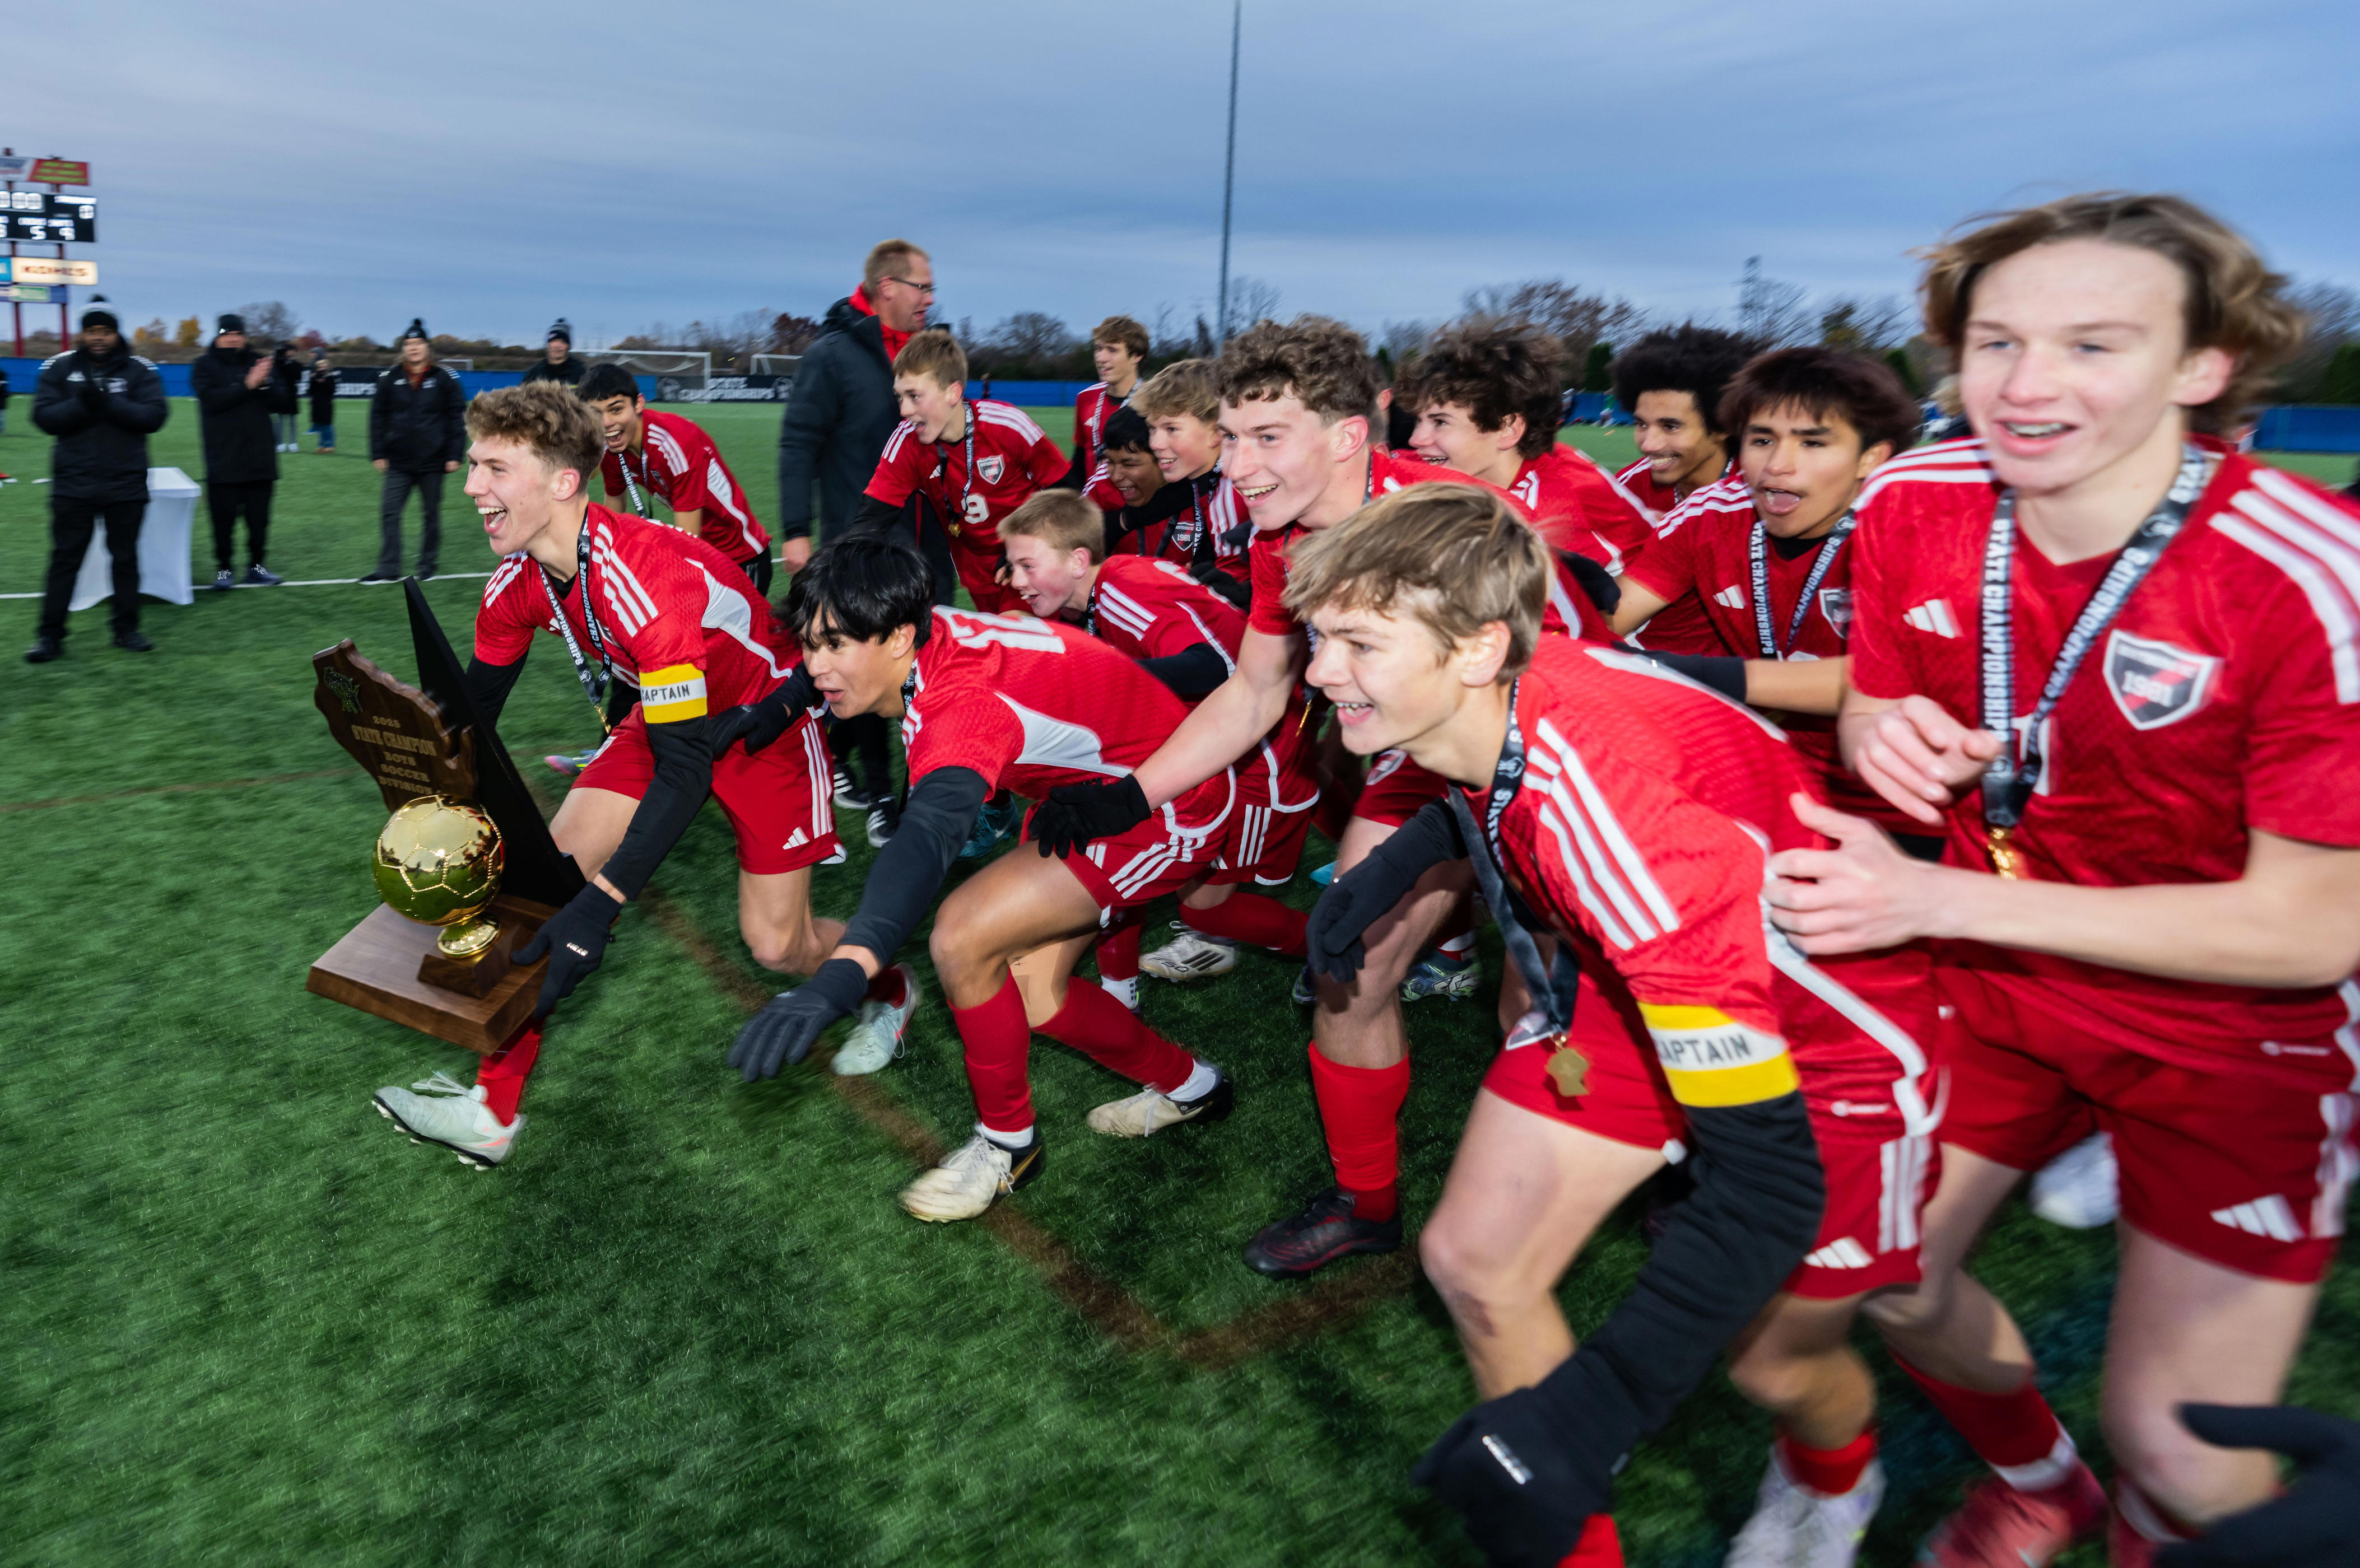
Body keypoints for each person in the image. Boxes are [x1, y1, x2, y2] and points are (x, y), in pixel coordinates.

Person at [1762, 193, 2360, 1566]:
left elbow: (2313, 926)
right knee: (1887, 1278)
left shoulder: (2305, 576)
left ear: (2201, 365)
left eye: (2091, 345)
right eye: (1995, 343)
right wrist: (1889, 735)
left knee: (2182, 1446)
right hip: (2000, 985)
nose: (2025, 386)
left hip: (2234, 1028)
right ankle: (2039, 1484)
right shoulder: (1913, 499)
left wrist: (1938, 899)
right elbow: (1875, 699)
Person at [1289, 486, 1884, 1568]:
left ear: (1476, 648)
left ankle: (1844, 1476)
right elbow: (1500, 773)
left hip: (1832, 1036)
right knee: (1476, 1261)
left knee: (1779, 1361)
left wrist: (1593, 1407)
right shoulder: (1513, 678)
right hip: (1644, 975)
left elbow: (1767, 1185)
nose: (1320, 671)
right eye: (1318, 635)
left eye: (1358, 643)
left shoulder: (1618, 829)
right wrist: (1389, 867)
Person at [1026, 316, 1603, 1278]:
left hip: (1556, 764)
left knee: (1540, 1011)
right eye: (1231, 436)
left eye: (1266, 437)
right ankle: (1365, 1204)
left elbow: (1567, 691)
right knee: (1350, 971)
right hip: (1423, 762)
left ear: (1347, 436)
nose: (1237, 465)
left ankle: (1667, 1173)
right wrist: (1129, 796)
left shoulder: (1454, 520)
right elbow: (1256, 691)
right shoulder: (1281, 541)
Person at [368, 383, 891, 1163]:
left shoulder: (646, 578)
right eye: (474, 465)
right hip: (669, 718)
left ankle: (887, 985)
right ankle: (492, 1113)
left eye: (495, 468)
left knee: (778, 948)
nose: (472, 485)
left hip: (761, 727)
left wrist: (604, 905)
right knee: (547, 889)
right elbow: (472, 724)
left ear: (563, 481)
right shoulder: (517, 581)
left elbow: (684, 774)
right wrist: (402, 751)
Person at [721, 533, 1240, 1221]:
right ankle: (1196, 1089)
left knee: (962, 937)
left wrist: (843, 974)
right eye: (809, 646)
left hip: (1167, 807)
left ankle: (1008, 1145)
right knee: (1034, 995)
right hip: (1093, 794)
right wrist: (782, 704)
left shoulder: (961, 706)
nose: (816, 665)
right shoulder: (922, 631)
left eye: (834, 646)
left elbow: (925, 840)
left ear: (899, 636)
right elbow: (837, 673)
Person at [1610, 346, 1937, 854]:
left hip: (1910, 805)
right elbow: (1612, 614)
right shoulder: (1711, 513)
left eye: (1812, 443)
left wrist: (1700, 675)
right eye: (1761, 440)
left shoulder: (1918, 528)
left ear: (1871, 457)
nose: (1777, 466)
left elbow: (1900, 680)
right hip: (1770, 780)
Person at [999, 489, 1317, 988]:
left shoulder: (1121, 589)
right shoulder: (1104, 594)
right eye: (1012, 566)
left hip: (1260, 762)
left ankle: (1334, 954)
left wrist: (1091, 678)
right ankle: (1119, 989)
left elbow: (1210, 666)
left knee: (1206, 910)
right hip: (1216, 748)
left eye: (1027, 566)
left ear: (1078, 561)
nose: (1016, 581)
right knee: (1127, 850)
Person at [778, 239, 933, 844]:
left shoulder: (924, 354)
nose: (929, 299)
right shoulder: (833, 356)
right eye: (922, 287)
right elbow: (798, 443)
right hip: (859, 543)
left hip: (925, 547)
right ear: (888, 287)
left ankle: (841, 756)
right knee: (871, 663)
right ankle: (882, 796)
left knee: (922, 666)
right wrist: (796, 531)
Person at [1398, 317, 1655, 573]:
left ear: (1507, 430)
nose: (1416, 440)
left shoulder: (1554, 505)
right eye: (1419, 421)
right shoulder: (1440, 466)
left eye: (1440, 422)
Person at [854, 328, 1068, 614]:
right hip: (976, 573)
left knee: (1012, 634)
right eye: (900, 397)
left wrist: (1024, 546)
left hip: (1030, 567)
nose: (904, 410)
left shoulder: (1006, 426)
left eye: (914, 396)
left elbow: (1068, 492)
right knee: (994, 633)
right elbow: (870, 520)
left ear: (952, 393)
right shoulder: (906, 442)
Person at [26, 307, 169, 662]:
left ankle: (126, 630)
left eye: (105, 331)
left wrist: (109, 402)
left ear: (116, 334)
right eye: (92, 331)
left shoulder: (139, 370)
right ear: (83, 335)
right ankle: (49, 637)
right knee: (65, 561)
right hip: (73, 484)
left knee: (125, 559)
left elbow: (154, 417)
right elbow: (43, 417)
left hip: (125, 483)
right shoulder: (61, 369)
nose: (99, 337)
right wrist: (80, 404)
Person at [1609, 324, 1761, 654]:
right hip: (1650, 661)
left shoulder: (1764, 499)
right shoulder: (1628, 487)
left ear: (1722, 426)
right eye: (1641, 424)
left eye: (1670, 426)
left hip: (1752, 674)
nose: (1649, 444)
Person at [578, 363, 774, 592]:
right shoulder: (611, 447)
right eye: (596, 414)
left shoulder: (676, 442)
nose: (606, 423)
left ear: (639, 404)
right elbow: (614, 509)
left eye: (616, 410)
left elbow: (689, 541)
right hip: (702, 557)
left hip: (739, 556)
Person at [1129, 358, 1251, 590]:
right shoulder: (1208, 481)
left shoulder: (1232, 488)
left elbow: (1235, 584)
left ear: (1217, 432)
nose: (1155, 443)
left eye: (1172, 429)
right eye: (1152, 429)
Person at [363, 320, 466, 582]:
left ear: (427, 347)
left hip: (433, 461)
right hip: (399, 461)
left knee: (431, 515)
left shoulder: (443, 378)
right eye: (408, 344)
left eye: (418, 343)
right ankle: (389, 568)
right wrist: (378, 452)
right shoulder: (391, 378)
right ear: (403, 349)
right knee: (390, 511)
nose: (413, 348)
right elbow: (377, 416)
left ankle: (427, 565)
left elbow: (457, 416)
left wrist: (455, 454)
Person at [188, 313, 285, 591]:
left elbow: (284, 402)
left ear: (244, 336)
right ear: (218, 336)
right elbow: (211, 401)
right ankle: (224, 569)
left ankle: (257, 567)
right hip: (223, 458)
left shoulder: (259, 362)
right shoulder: (204, 365)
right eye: (227, 334)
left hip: (260, 458)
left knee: (259, 522)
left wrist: (266, 384)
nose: (233, 339)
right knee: (223, 522)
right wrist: (247, 386)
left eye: (238, 334)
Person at [1067, 314, 1149, 486]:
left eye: (1112, 350)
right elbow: (1080, 460)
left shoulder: (1154, 402)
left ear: (1136, 356)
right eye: (1098, 349)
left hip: (1135, 499)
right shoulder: (1086, 398)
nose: (1101, 358)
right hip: (1093, 499)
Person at [521, 319, 585, 387]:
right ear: (548, 344)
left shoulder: (580, 371)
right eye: (554, 341)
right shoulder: (534, 372)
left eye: (563, 342)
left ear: (569, 346)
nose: (557, 346)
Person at [270, 344, 302, 452]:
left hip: (291, 394)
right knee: (279, 421)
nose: (289, 353)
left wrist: (289, 364)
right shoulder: (277, 363)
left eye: (291, 351)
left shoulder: (296, 364)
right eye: (287, 351)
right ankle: (280, 444)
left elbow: (299, 377)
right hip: (279, 394)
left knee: (292, 421)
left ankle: (293, 443)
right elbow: (274, 374)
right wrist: (280, 360)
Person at [307, 353, 338, 452]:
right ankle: (322, 445)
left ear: (327, 367)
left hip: (326, 403)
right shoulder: (314, 377)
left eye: (324, 366)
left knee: (327, 425)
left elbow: (332, 390)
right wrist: (314, 381)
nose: (322, 368)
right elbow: (311, 391)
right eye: (320, 367)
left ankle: (330, 445)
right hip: (317, 404)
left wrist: (324, 382)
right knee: (319, 425)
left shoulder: (330, 377)